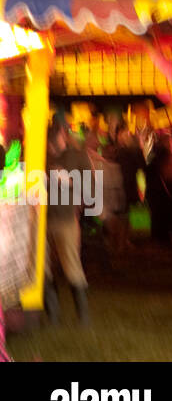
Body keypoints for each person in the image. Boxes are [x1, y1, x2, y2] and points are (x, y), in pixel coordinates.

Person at [45, 125, 93, 326]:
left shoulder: (77, 156)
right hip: (41, 221)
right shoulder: (39, 157)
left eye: (51, 143)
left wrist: (69, 181)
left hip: (65, 219)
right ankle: (53, 317)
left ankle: (83, 318)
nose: (49, 148)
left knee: (72, 267)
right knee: (42, 270)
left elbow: (91, 190)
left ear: (61, 137)